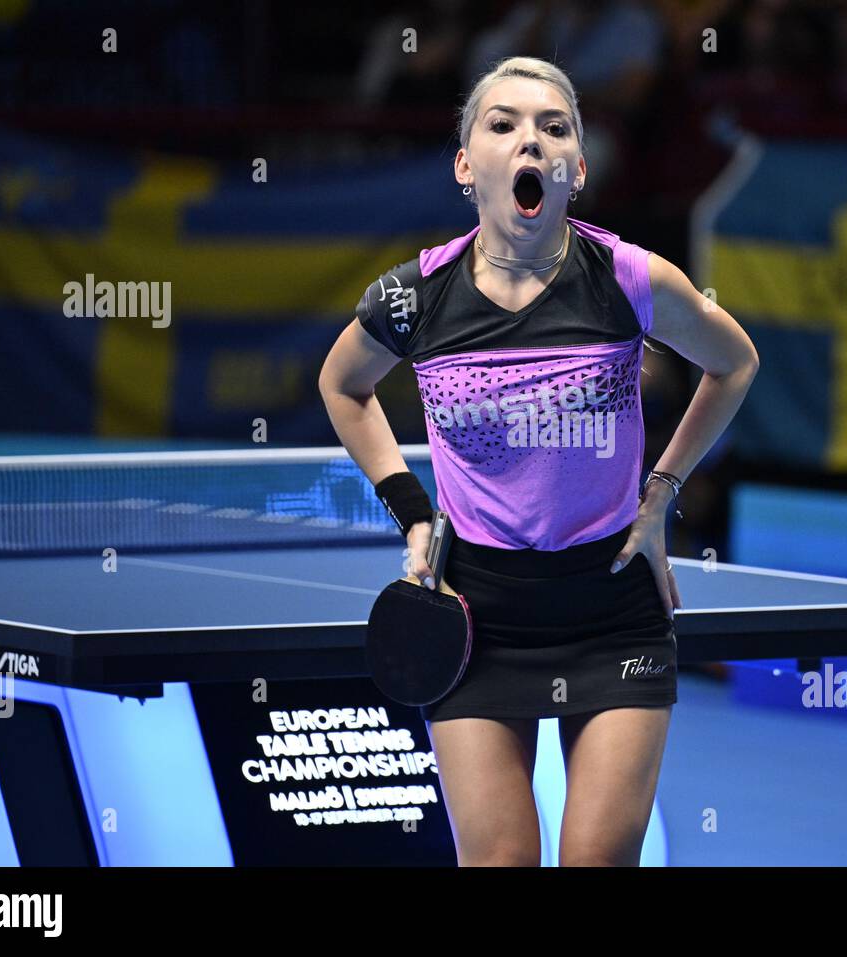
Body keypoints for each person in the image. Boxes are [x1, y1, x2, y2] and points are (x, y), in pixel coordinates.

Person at [318, 56, 758, 866]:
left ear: (576, 170)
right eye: (504, 124)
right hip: (475, 610)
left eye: (554, 128)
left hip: (613, 601)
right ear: (465, 164)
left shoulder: (628, 279)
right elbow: (342, 386)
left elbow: (734, 362)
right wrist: (413, 513)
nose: (531, 140)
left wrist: (660, 493)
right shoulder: (415, 297)